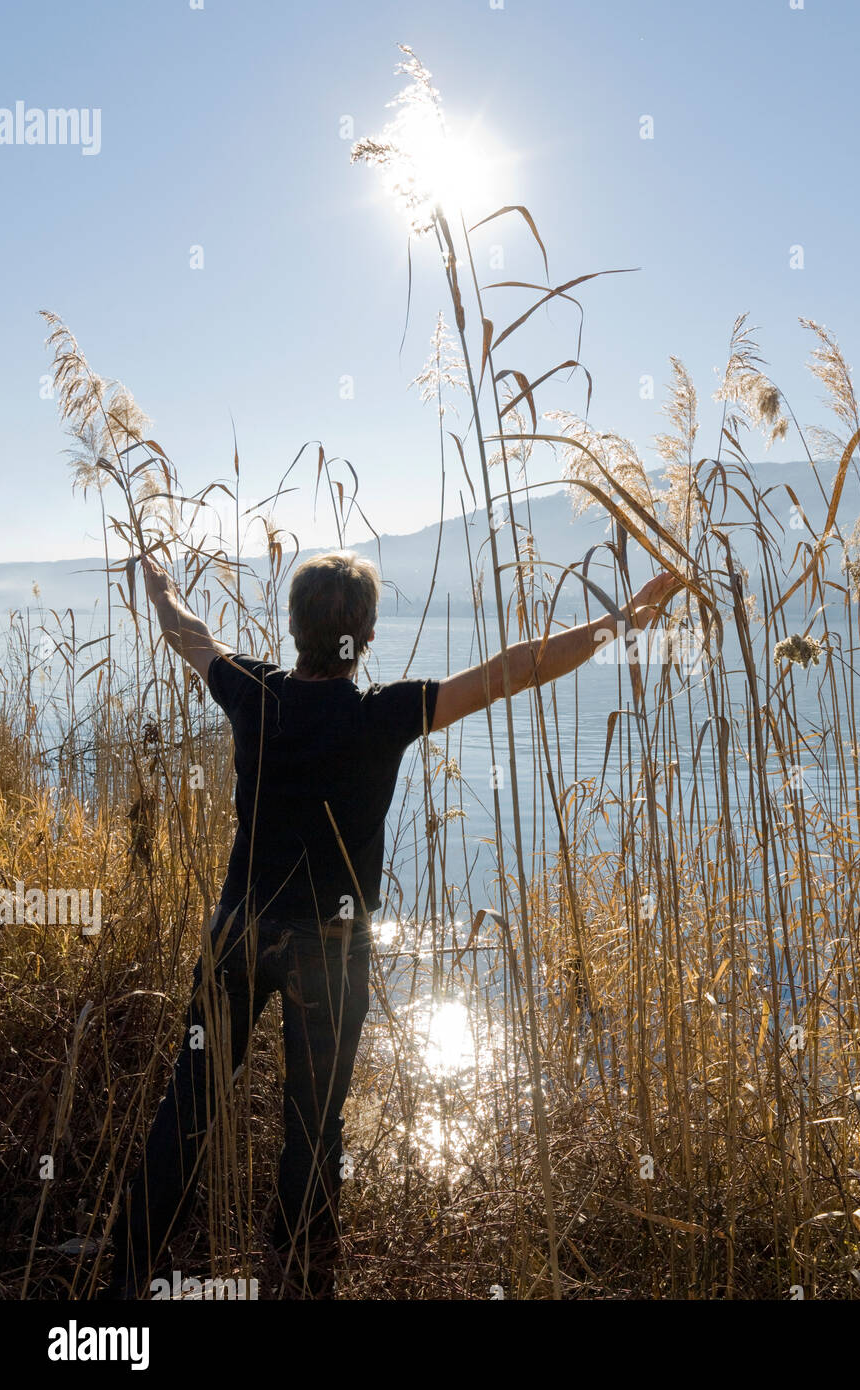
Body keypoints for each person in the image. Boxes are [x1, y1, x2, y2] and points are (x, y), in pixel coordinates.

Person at [104, 548, 678, 1298]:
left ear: (295, 626)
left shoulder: (253, 691)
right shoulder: (384, 713)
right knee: (314, 1128)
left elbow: (191, 635)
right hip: (329, 957)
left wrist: (161, 587)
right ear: (365, 636)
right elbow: (519, 668)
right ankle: (301, 1279)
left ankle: (125, 1276)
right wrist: (625, 619)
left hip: (239, 934)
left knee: (192, 1100)